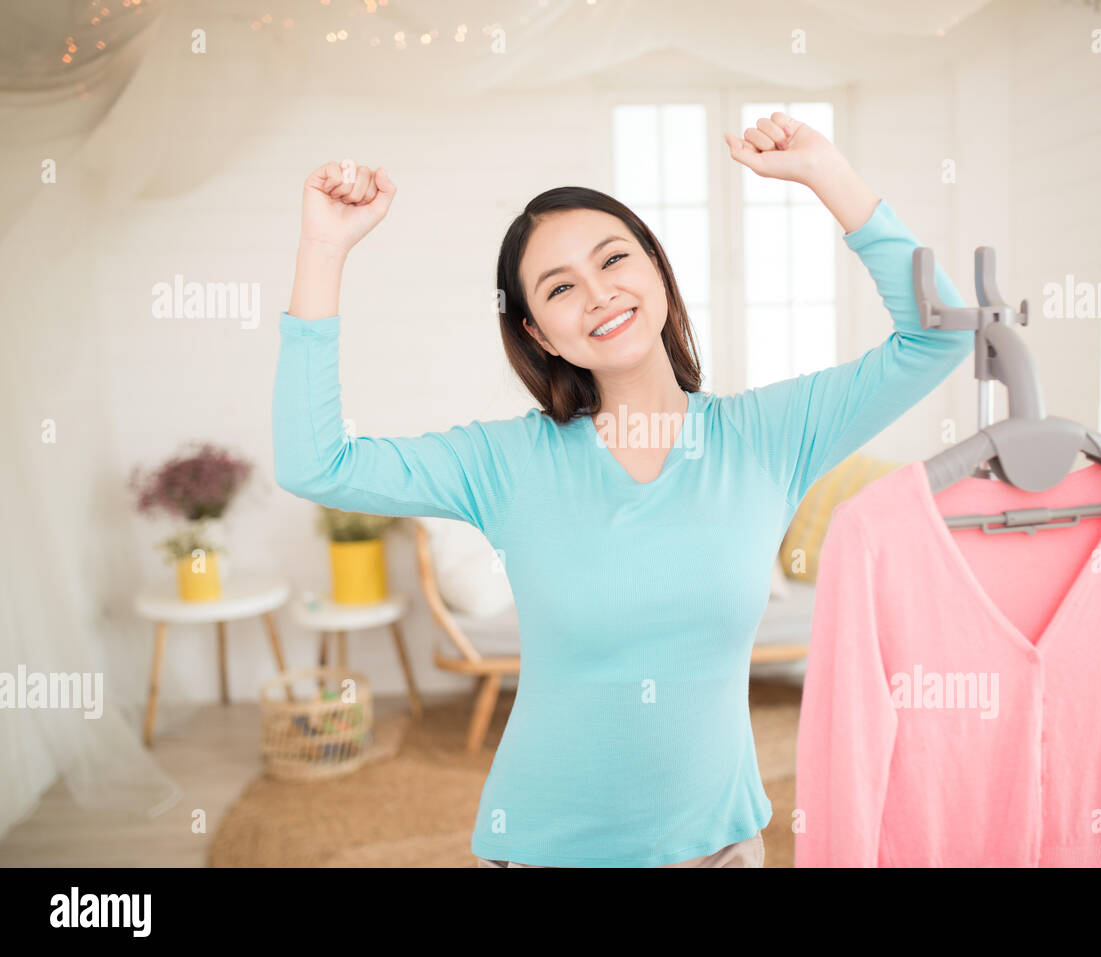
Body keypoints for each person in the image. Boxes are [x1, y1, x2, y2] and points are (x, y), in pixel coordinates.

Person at [272, 112, 973, 867]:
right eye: (560, 287)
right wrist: (324, 247)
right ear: (539, 332)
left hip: (720, 850)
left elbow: (943, 333)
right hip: (543, 851)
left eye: (614, 259)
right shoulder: (505, 462)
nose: (600, 293)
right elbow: (316, 463)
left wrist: (829, 174)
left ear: (657, 269)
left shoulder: (766, 436)